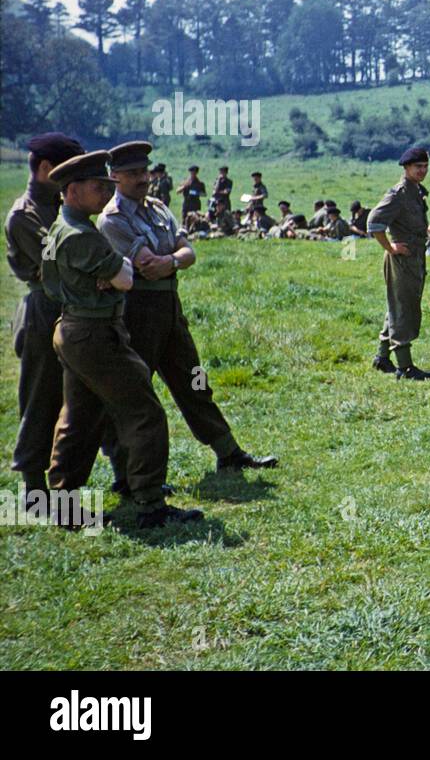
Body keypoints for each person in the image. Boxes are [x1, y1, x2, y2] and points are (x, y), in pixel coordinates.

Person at [100, 140, 277, 481]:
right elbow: (146, 265)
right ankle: (126, 474)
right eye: (133, 173)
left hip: (169, 308)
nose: (143, 179)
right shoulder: (113, 220)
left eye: (145, 172)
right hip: (137, 312)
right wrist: (174, 259)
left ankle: (228, 451)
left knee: (194, 380)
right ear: (115, 178)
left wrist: (172, 260)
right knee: (134, 392)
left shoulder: (158, 209)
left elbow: (188, 252)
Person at [42, 151, 201, 529]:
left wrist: (104, 276)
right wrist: (116, 271)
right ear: (73, 190)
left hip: (73, 327)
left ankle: (63, 504)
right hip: (98, 334)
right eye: (99, 187)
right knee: (145, 413)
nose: (104, 193)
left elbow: (50, 282)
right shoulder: (84, 234)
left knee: (78, 419)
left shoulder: (59, 227)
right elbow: (128, 277)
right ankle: (149, 502)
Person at [6, 133, 85, 509]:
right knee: (41, 398)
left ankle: (127, 475)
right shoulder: (25, 215)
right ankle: (34, 489)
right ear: (45, 169)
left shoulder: (61, 207)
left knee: (96, 393)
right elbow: (61, 261)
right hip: (44, 312)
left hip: (75, 309)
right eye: (68, 172)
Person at [368, 146, 430, 380]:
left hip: (415, 256)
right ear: (406, 168)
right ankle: (405, 367)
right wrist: (390, 247)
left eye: (425, 166)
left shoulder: (415, 191)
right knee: (403, 309)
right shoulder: (398, 194)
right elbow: (374, 223)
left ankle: (382, 358)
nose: (423, 171)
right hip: (402, 258)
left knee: (398, 305)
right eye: (418, 167)